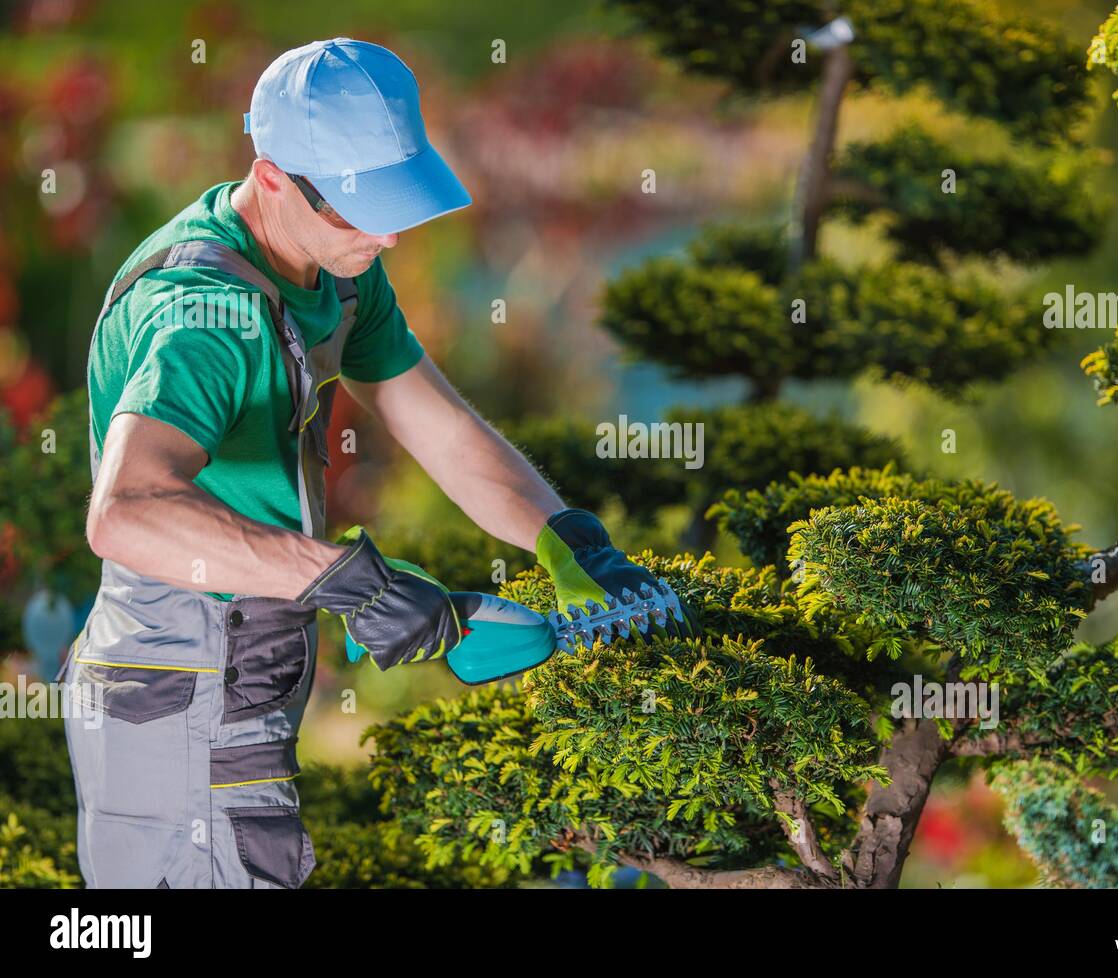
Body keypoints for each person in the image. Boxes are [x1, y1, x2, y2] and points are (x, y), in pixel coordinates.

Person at [62, 37, 693, 889]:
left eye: (395, 198)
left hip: (249, 654)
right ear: (274, 176)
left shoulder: (336, 269)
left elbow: (439, 429)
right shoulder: (205, 318)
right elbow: (127, 513)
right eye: (358, 208)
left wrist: (568, 540)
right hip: (175, 680)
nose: (388, 231)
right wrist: (351, 582)